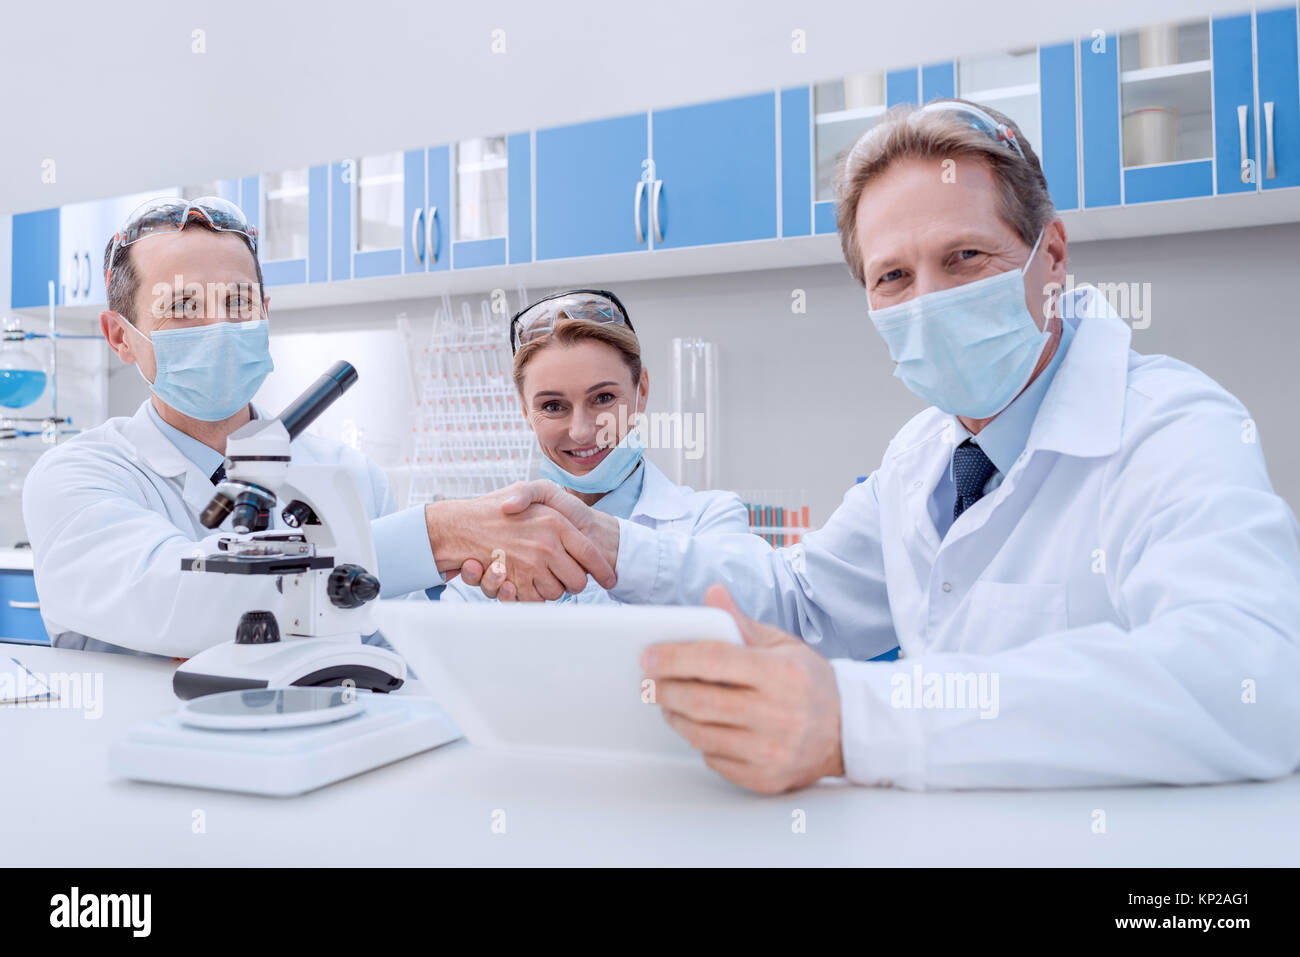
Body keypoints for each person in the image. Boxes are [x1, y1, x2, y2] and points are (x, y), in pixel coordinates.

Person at [462, 99, 1300, 793]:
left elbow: (1250, 681)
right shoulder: (923, 454)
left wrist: (859, 719)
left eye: (964, 257)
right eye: (893, 277)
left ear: (1051, 258)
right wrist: (610, 546)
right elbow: (804, 605)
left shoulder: (1171, 425)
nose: (925, 301)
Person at [21, 197, 613, 658]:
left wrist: (492, 583)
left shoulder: (347, 474)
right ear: (120, 336)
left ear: (264, 314)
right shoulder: (79, 477)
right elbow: (178, 601)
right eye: (181, 307)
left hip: (322, 768)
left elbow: (387, 642)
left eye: (237, 302)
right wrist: (438, 535)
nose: (219, 325)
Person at [441, 289, 749, 604]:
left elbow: (735, 616)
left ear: (641, 391)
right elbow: (440, 639)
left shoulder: (710, 521)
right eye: (552, 406)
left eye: (603, 398)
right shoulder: (499, 537)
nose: (582, 431)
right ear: (525, 411)